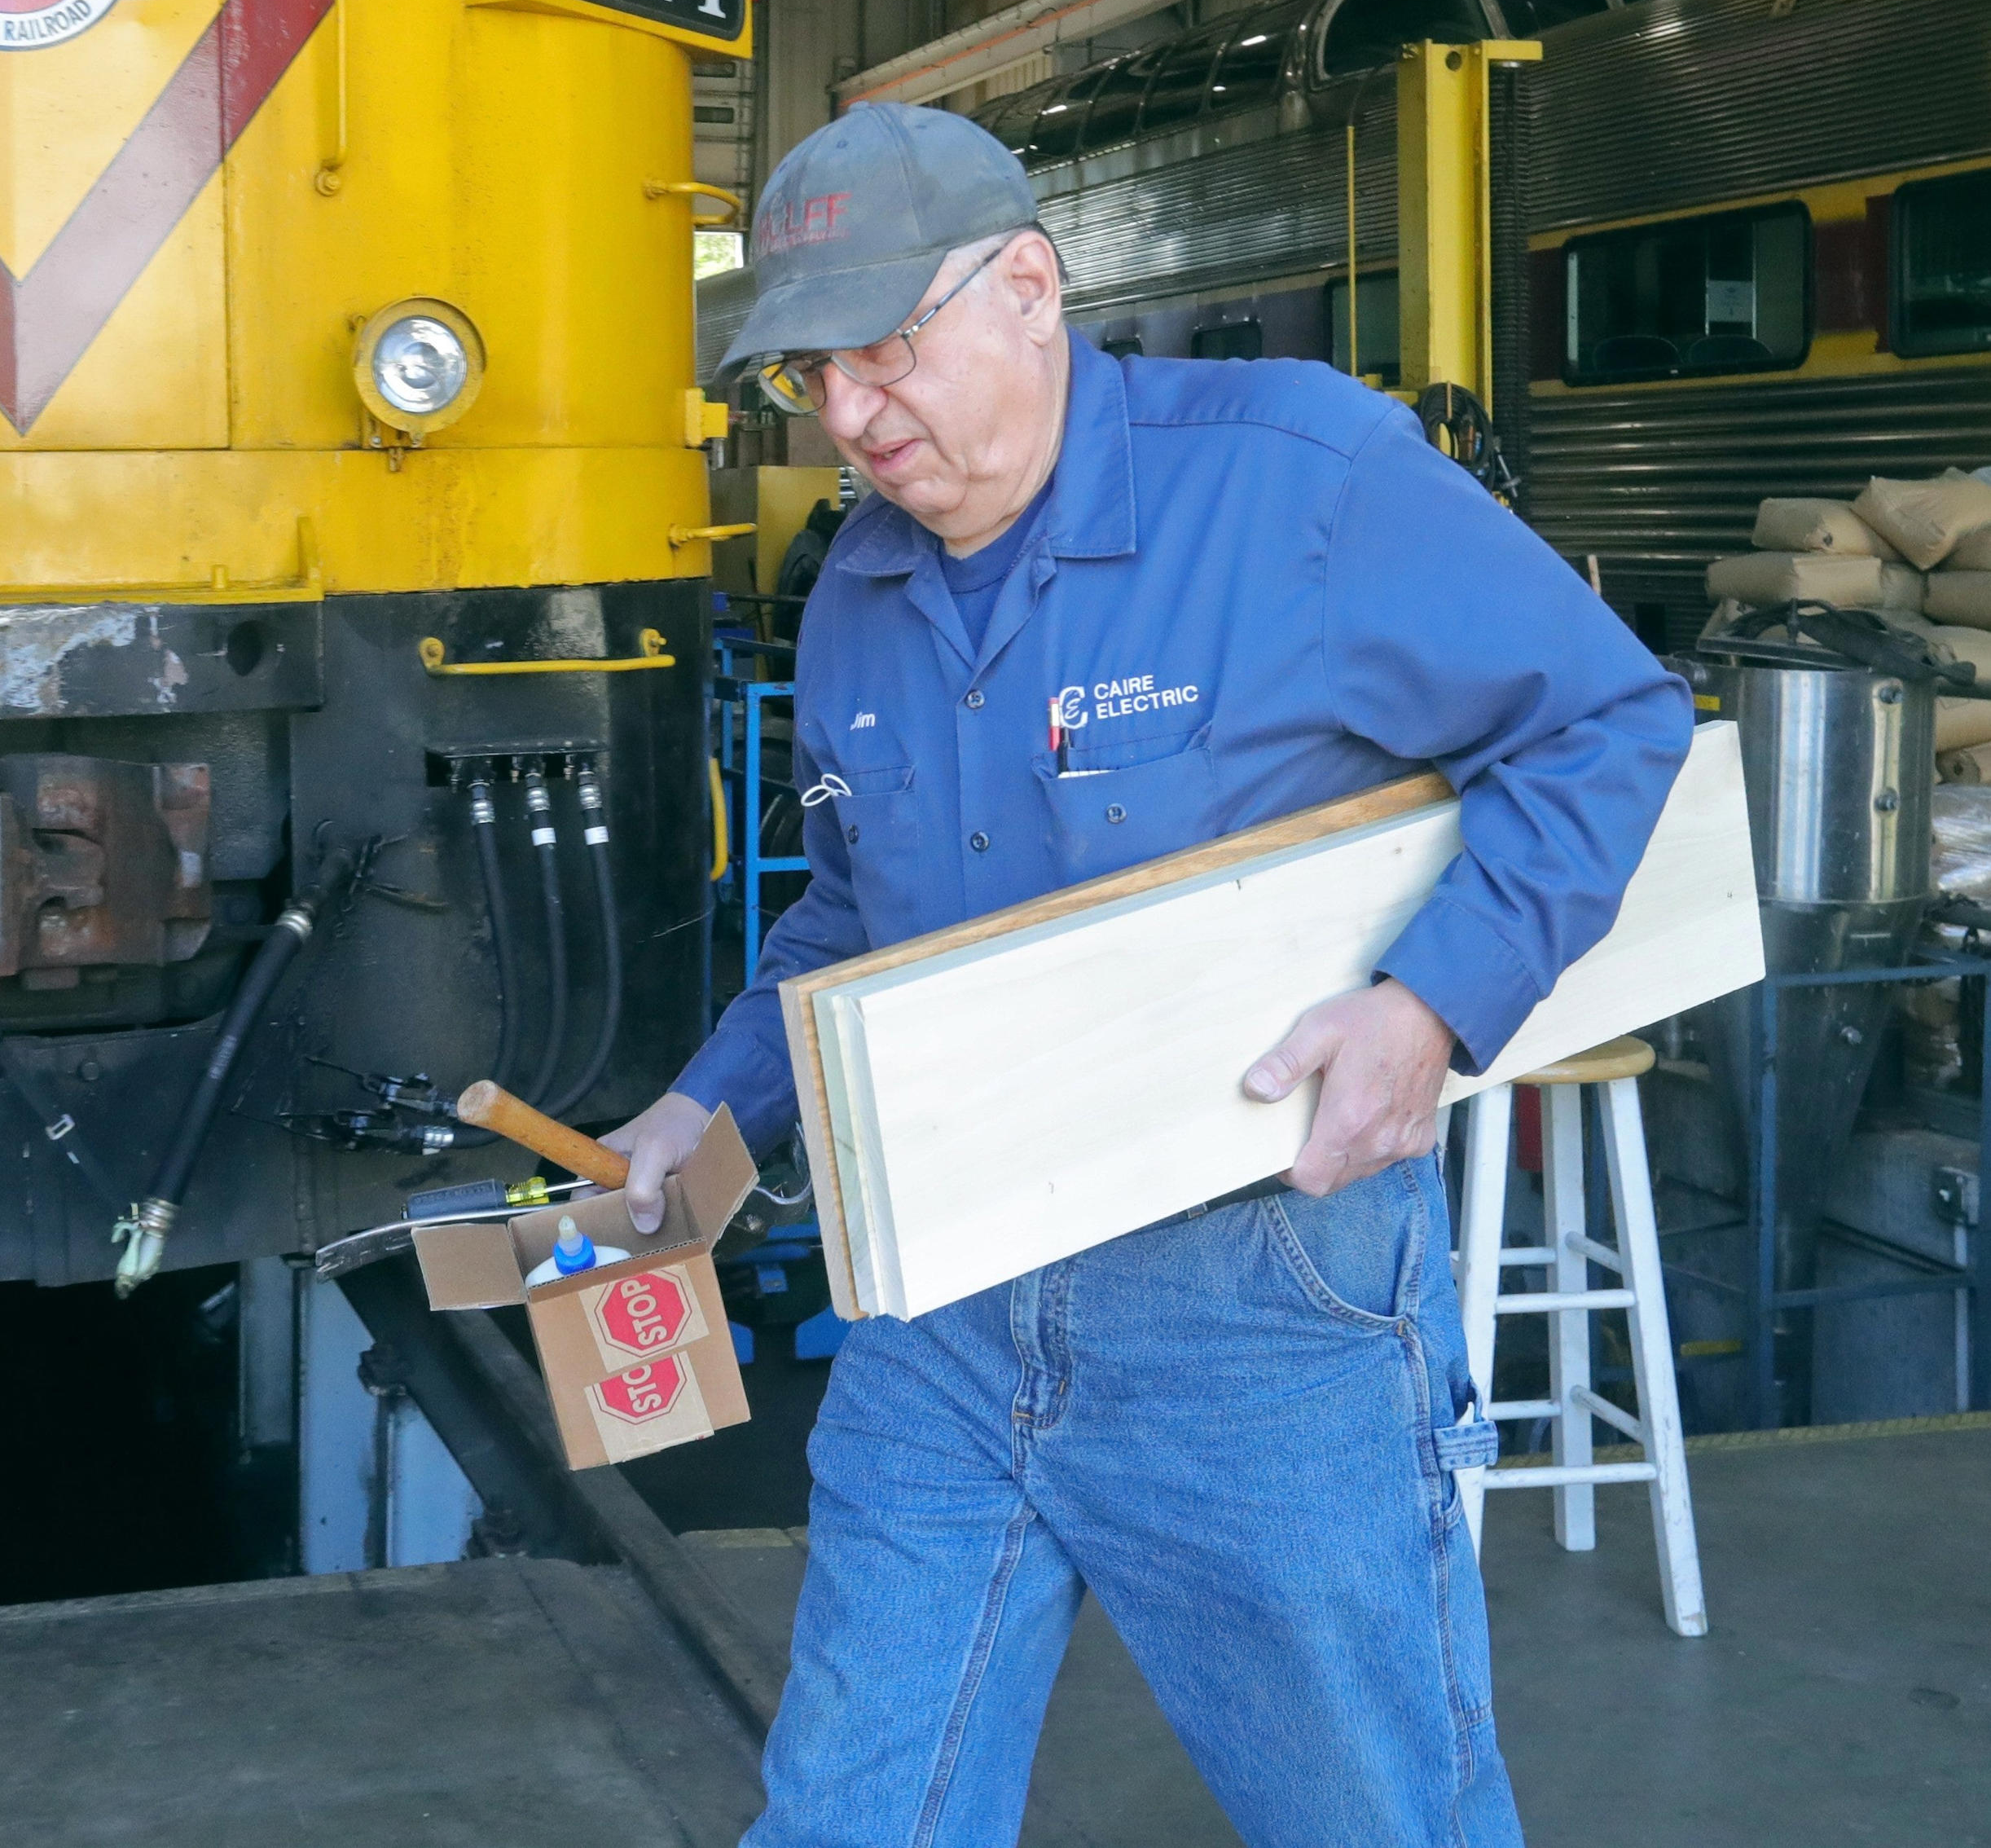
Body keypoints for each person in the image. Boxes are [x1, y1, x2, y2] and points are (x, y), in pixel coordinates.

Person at [610, 102, 1689, 1848]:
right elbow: (850, 925)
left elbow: (1604, 720)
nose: (853, 416)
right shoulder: (858, 594)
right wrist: (696, 1108)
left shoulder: (1297, 480)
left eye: (887, 348)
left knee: (1376, 1817)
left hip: (1254, 1311)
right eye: (810, 375)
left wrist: (1431, 1002)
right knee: (848, 1818)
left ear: (1031, 286)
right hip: (941, 1305)